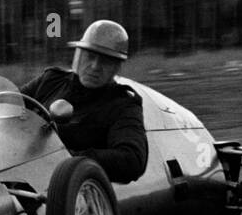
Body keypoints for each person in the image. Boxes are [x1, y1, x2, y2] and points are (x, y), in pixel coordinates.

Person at [19, 19, 148, 184]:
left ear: (116, 67)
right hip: (16, 168)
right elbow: (8, 105)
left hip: (66, 189)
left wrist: (69, 158)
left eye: (105, 61)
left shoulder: (123, 105)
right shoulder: (51, 80)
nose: (95, 66)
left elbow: (132, 159)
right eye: (90, 56)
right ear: (78, 55)